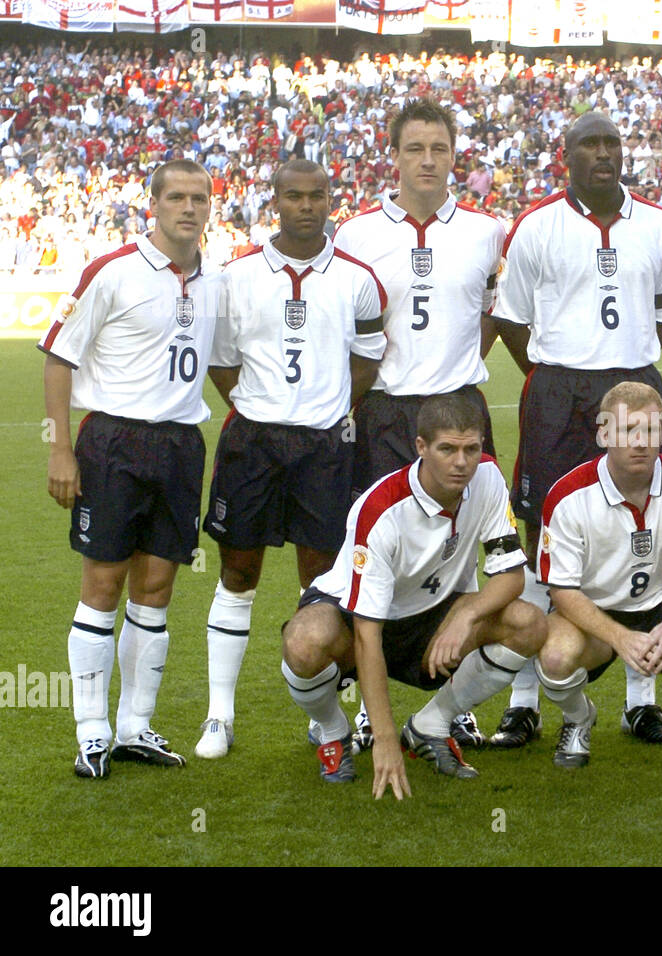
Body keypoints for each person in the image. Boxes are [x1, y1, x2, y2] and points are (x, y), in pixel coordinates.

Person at [492, 111, 662, 748]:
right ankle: (524, 699)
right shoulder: (535, 226)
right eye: (589, 145)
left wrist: (621, 362)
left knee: (648, 529)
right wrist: (559, 374)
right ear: (566, 154)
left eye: (612, 143)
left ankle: (642, 696)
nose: (603, 154)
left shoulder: (659, 225)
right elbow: (513, 322)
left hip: (634, 384)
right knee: (543, 535)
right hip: (556, 390)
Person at [194, 160, 387, 759]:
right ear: (274, 200)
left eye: (317, 195)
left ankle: (326, 711)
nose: (306, 206)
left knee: (323, 582)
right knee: (238, 575)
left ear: (331, 199)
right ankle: (219, 716)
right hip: (252, 443)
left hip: (325, 450)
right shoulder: (236, 277)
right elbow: (221, 361)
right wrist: (261, 406)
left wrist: (326, 408)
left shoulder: (357, 278)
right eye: (293, 196)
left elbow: (368, 359)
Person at [41, 159, 225, 778]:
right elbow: (58, 358)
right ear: (154, 204)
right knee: (102, 586)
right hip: (113, 444)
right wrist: (60, 448)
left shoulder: (215, 280)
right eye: (177, 197)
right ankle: (91, 731)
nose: (189, 208)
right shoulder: (113, 271)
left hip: (179, 447)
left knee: (155, 592)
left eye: (200, 198)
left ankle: (134, 728)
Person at [333, 99, 506, 752]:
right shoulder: (354, 234)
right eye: (415, 149)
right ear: (395, 155)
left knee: (461, 556)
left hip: (460, 406)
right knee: (375, 555)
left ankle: (450, 705)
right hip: (386, 413)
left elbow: (492, 314)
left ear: (454, 156)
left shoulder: (486, 232)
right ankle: (359, 705)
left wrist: (459, 367)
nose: (428, 160)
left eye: (439, 148)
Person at [279, 391, 547, 797]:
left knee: (529, 623)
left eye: (471, 448)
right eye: (447, 449)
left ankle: (430, 726)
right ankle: (333, 732)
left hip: (433, 615)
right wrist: (384, 740)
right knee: (304, 642)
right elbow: (369, 637)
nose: (462, 462)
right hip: (355, 619)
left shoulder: (488, 477)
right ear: (421, 448)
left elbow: (510, 574)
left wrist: (466, 615)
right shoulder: (381, 510)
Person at [534, 383, 662, 772]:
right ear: (603, 435)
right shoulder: (567, 496)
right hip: (595, 614)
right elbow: (562, 590)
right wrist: (620, 637)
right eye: (626, 430)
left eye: (650, 430)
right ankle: (579, 719)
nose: (640, 442)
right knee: (555, 654)